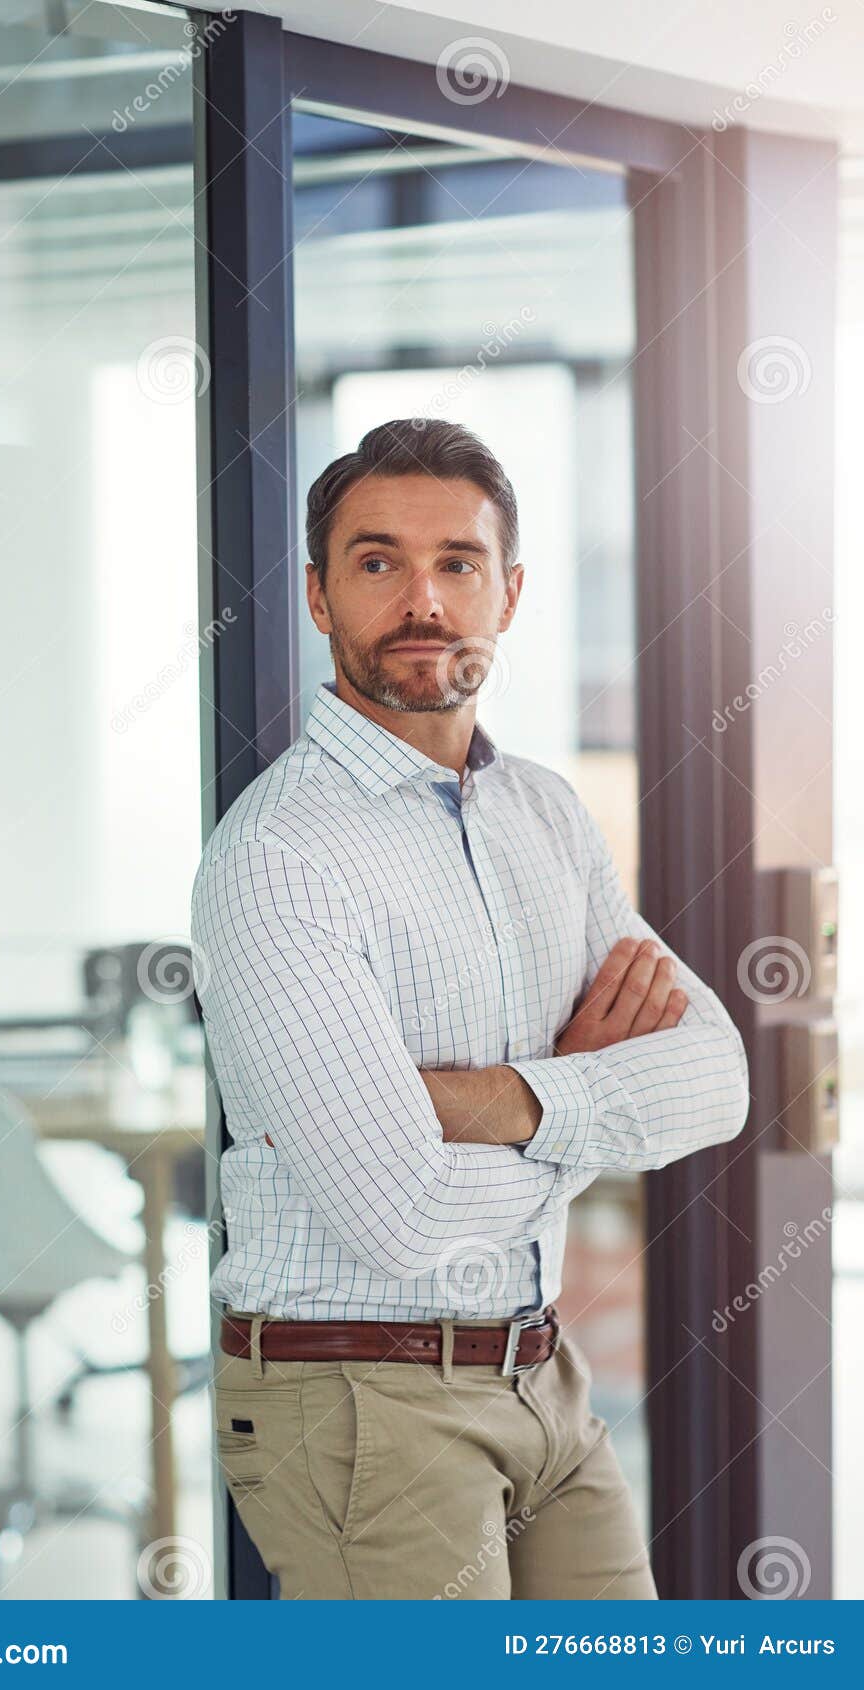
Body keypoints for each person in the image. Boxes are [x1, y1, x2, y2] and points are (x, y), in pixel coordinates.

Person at [190, 417, 749, 1600]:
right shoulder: (279, 856)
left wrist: (497, 1099)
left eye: (458, 563)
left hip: (542, 1374)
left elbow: (719, 1076)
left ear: (510, 592)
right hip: (356, 1396)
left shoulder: (543, 815)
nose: (422, 599)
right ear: (317, 594)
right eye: (378, 561)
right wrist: (592, 1108)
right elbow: (395, 1211)